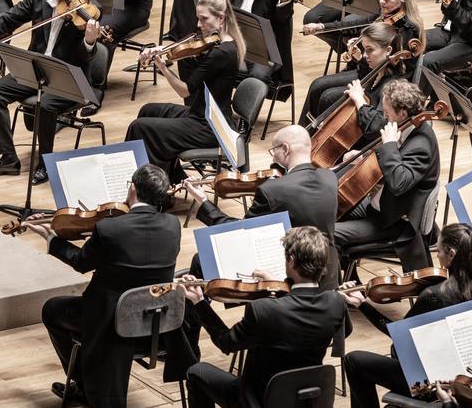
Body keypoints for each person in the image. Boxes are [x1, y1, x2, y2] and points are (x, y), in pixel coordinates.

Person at [31, 164, 180, 407]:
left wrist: (51, 238)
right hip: (154, 324)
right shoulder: (172, 225)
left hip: (110, 324)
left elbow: (80, 262)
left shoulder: (109, 228)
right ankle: (86, 381)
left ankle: (81, 381)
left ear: (132, 188)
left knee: (52, 310)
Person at [181, 226, 346, 408]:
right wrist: (278, 285)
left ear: (291, 260)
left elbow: (226, 342)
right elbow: (343, 330)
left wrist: (199, 302)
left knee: (196, 372)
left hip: (260, 400)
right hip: (306, 398)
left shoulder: (263, 310)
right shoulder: (336, 303)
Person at [0, 0, 101, 183]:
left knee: (46, 104)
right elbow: (9, 17)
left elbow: (86, 58)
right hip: (37, 69)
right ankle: (9, 159)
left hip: (69, 79)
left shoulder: (88, 7)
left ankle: (46, 163)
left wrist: (90, 41)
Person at [341, 224, 472, 408]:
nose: (437, 256)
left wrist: (363, 304)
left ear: (451, 255)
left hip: (436, 383)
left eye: (438, 251)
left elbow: (397, 334)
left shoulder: (435, 295)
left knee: (354, 361)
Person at [180, 124, 339, 287]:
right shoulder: (329, 177)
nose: (273, 158)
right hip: (329, 271)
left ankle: (197, 302)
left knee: (200, 260)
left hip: (293, 271)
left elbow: (238, 231)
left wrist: (204, 201)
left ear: (285, 148)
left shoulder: (272, 190)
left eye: (274, 151)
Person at [125, 0, 243, 183]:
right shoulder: (218, 43)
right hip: (200, 113)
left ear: (221, 18)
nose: (198, 24)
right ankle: (171, 177)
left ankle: (147, 188)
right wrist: (162, 50)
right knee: (148, 110)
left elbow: (184, 90)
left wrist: (162, 66)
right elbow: (191, 50)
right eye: (198, 18)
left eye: (204, 19)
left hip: (211, 126)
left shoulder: (222, 53)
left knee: (140, 127)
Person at [333, 79, 439, 271]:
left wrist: (389, 145)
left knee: (328, 234)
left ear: (402, 113)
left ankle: (335, 294)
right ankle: (350, 277)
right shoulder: (404, 125)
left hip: (393, 220)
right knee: (329, 206)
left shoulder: (421, 145)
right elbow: (394, 161)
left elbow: (399, 182)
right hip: (379, 205)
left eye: (386, 113)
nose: (384, 117)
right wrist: (363, 157)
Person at [301, 0, 424, 107]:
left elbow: (398, 71)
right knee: (317, 85)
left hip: (385, 83)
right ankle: (303, 129)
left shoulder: (407, 30)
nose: (382, 1)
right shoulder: (385, 14)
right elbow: (358, 24)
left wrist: (361, 58)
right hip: (370, 71)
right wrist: (323, 26)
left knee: (327, 97)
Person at [302, 18, 416, 138]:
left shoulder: (391, 86)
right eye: (365, 49)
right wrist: (359, 58)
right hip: (359, 127)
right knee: (326, 95)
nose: (366, 55)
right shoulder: (378, 70)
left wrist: (359, 99)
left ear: (388, 51)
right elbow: (363, 74)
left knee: (328, 97)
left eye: (370, 50)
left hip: (365, 139)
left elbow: (379, 126)